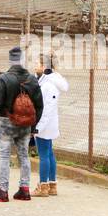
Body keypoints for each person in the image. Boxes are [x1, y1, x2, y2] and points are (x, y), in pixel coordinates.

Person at [0, 46, 43, 202]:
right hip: (25, 124)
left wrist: (3, 110)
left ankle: (3, 191)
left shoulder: (3, 79)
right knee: (24, 155)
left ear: (11, 60)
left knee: (4, 155)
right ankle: (24, 190)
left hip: (6, 121)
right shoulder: (32, 79)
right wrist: (33, 125)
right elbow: (39, 105)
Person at [33, 55, 69, 196]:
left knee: (44, 155)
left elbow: (46, 109)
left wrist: (38, 127)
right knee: (49, 153)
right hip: (50, 123)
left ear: (45, 66)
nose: (35, 65)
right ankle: (52, 185)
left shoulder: (48, 85)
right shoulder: (50, 80)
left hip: (45, 124)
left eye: (38, 63)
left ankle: (43, 187)